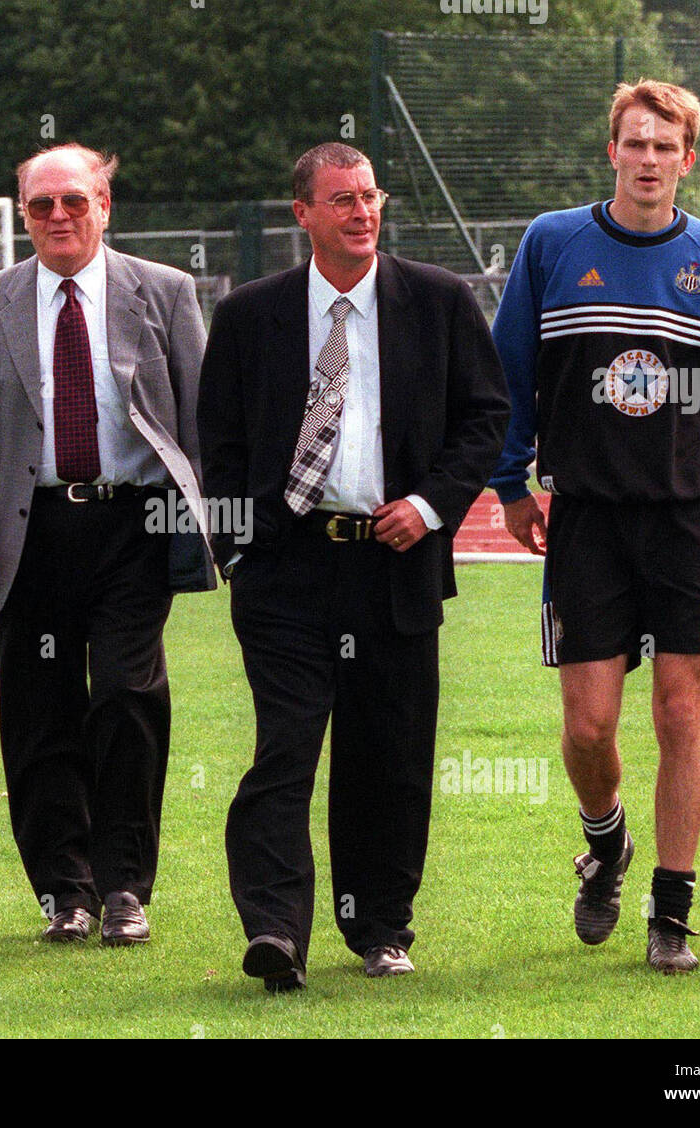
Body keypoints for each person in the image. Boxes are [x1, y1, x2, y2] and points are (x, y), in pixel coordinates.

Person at [489, 80, 700, 973]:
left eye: (667, 146)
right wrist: (509, 482)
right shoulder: (553, 245)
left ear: (687, 159)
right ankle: (606, 839)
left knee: (680, 711)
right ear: (613, 152)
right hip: (585, 517)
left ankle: (672, 908)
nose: (650, 158)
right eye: (636, 143)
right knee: (588, 728)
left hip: (688, 518)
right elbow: (513, 376)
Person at [198, 143, 509, 990]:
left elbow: (486, 419)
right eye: (341, 200)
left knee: (390, 755)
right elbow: (216, 447)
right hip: (286, 572)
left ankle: (381, 928)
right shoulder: (249, 315)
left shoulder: (439, 301)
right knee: (286, 750)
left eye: (370, 197)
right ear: (302, 213)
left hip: (396, 563)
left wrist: (432, 504)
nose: (362, 212)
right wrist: (238, 547)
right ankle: (275, 932)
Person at [0, 143, 213, 947]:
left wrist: (218, 526)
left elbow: (201, 415)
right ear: (23, 213)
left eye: (75, 202)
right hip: (29, 533)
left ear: (104, 206)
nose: (59, 217)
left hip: (134, 526)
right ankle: (66, 890)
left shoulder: (164, 291)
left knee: (127, 697)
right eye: (42, 205)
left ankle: (125, 887)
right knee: (40, 715)